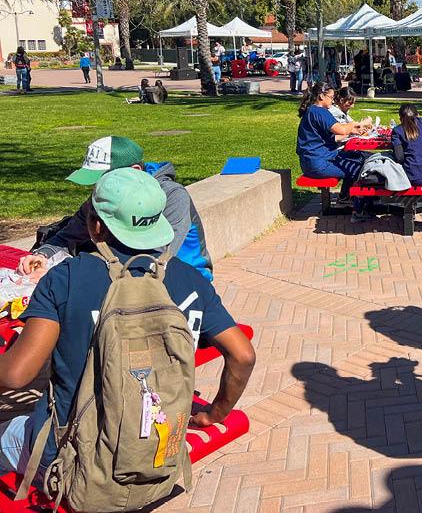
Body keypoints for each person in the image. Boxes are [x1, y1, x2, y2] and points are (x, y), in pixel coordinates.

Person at [0, 168, 256, 486]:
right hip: (159, 445)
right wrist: (214, 413)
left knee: (7, 433)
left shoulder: (66, 278)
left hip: (75, 456)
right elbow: (243, 354)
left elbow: (15, 375)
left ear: (95, 225)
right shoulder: (190, 280)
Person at [17, 136, 214, 280]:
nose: (96, 188)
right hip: (125, 274)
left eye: (101, 179)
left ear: (134, 170)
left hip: (184, 277)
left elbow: (156, 258)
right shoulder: (106, 196)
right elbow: (66, 236)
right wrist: (41, 256)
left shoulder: (172, 196)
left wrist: (65, 274)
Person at [296, 81, 372, 221]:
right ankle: (358, 209)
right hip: (317, 163)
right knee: (361, 170)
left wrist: (354, 130)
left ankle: (347, 198)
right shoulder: (319, 111)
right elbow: (342, 129)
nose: (333, 100)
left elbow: (335, 135)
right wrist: (356, 124)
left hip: (316, 159)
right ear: (321, 96)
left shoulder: (313, 111)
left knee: (360, 157)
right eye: (331, 97)